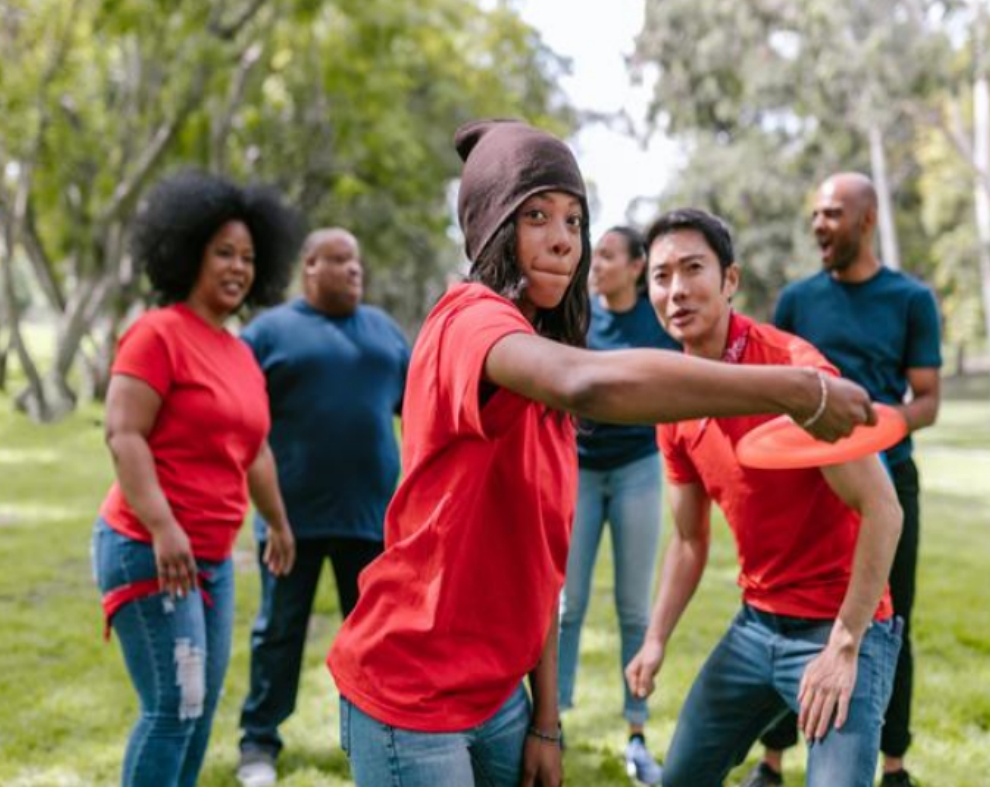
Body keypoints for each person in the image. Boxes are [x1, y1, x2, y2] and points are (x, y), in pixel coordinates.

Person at [326, 119, 877, 787]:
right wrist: (795, 389)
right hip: (410, 689)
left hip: (500, 696)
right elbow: (589, 383)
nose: (563, 238)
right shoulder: (466, 321)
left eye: (574, 219)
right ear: (493, 226)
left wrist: (546, 719)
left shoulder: (541, 380)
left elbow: (541, 567)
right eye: (536, 216)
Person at [625, 207, 905, 787]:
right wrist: (655, 639)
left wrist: (845, 647)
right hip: (757, 626)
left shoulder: (796, 377)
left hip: (842, 626)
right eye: (660, 275)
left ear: (730, 280)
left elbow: (883, 508)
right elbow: (687, 540)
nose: (676, 289)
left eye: (693, 268)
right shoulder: (673, 404)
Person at [92, 171, 301, 787]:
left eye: (248, 257)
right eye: (223, 253)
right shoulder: (157, 334)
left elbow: (254, 448)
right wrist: (162, 526)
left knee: (200, 708)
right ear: (188, 253)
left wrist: (279, 524)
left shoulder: (238, 351)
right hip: (148, 547)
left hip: (208, 557)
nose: (237, 267)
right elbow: (123, 434)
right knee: (172, 707)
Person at [743, 173, 941, 787]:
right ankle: (773, 760)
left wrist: (875, 431)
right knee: (788, 616)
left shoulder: (911, 299)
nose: (819, 226)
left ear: (867, 219)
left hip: (889, 481)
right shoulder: (798, 300)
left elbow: (928, 399)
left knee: (891, 619)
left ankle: (894, 765)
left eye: (832, 214)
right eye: (815, 216)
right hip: (808, 489)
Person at [235, 228, 411, 787]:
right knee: (279, 633)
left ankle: (380, 739)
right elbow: (238, 423)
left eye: (356, 260)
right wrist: (269, 516)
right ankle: (258, 743)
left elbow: (421, 412)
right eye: (339, 260)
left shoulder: (384, 331)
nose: (354, 270)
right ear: (309, 266)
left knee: (376, 641)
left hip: (372, 519)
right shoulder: (268, 333)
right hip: (290, 522)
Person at [557, 225, 679, 785]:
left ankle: (636, 733)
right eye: (595, 255)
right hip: (578, 470)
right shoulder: (574, 313)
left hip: (637, 470)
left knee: (634, 609)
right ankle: (549, 724)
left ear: (636, 266)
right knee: (568, 604)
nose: (595, 264)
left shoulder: (658, 323)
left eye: (607, 255)